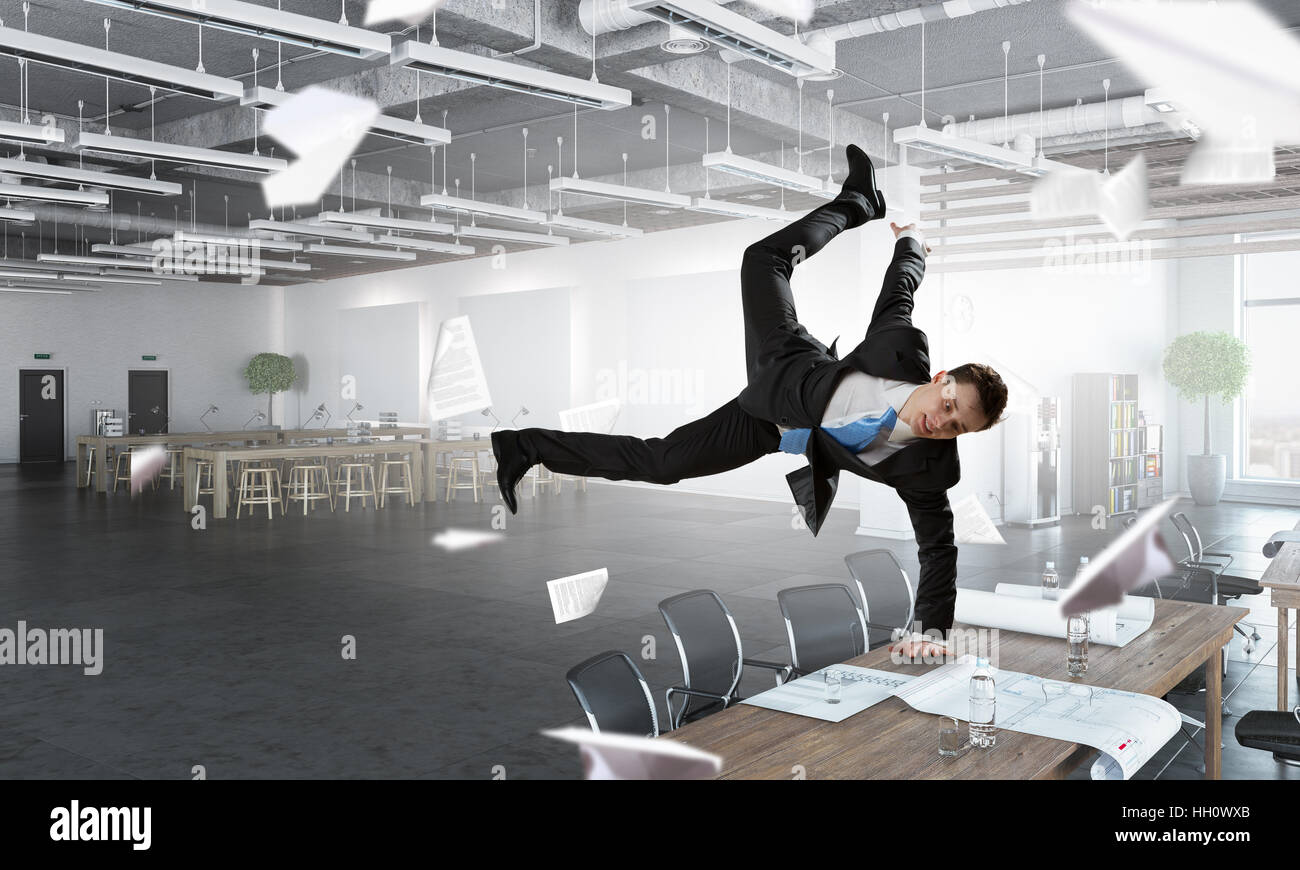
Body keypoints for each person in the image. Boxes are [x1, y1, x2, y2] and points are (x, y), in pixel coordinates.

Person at [492, 144, 1008, 658]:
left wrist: (931, 630)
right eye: (949, 406)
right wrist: (912, 243)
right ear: (941, 379)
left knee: (661, 463)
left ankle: (525, 446)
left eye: (959, 427)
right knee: (762, 260)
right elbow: (900, 290)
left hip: (765, 425)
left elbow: (938, 547)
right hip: (785, 364)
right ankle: (856, 203)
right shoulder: (900, 347)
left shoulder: (929, 468)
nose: (943, 424)